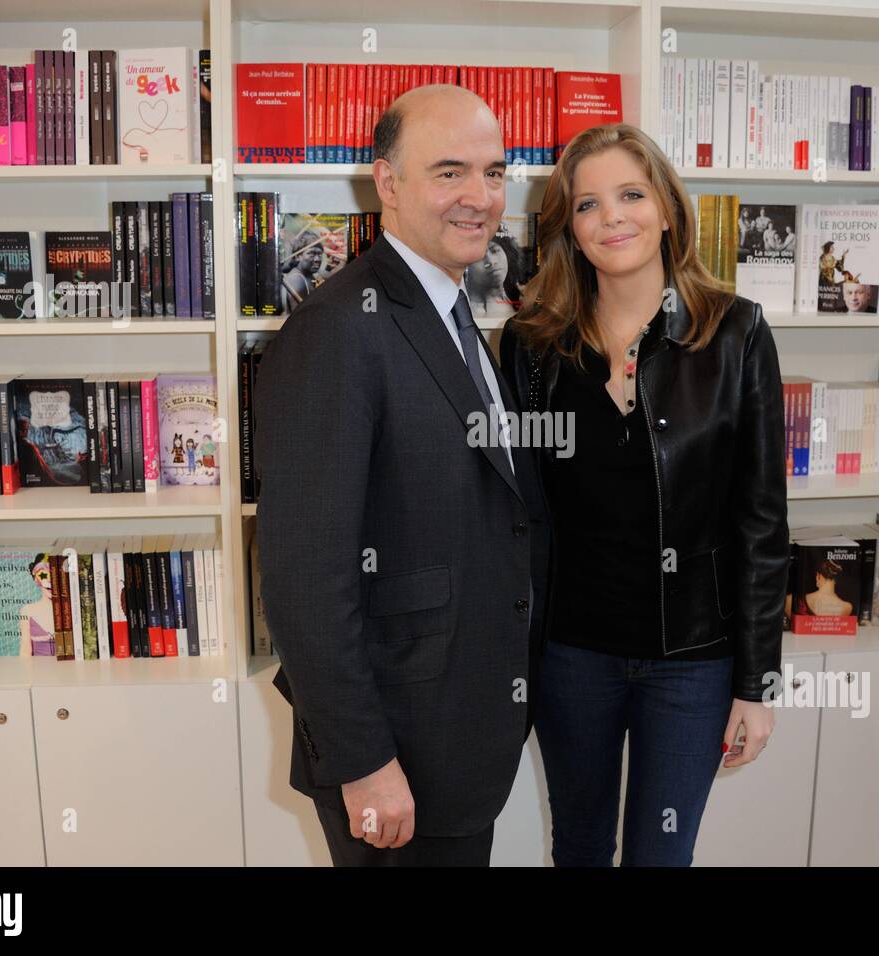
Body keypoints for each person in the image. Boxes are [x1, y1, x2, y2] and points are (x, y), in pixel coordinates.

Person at [253, 84, 550, 867]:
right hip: (395, 756)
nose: (481, 198)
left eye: (495, 172)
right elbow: (302, 581)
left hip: (453, 736)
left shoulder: (453, 312)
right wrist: (364, 764)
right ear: (386, 183)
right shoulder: (336, 333)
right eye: (450, 172)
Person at [500, 123, 790, 867]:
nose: (612, 219)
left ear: (666, 207)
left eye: (631, 194)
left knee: (662, 856)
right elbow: (515, 511)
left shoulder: (737, 334)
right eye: (588, 205)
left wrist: (756, 685)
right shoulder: (531, 344)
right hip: (572, 656)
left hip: (692, 660)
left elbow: (761, 522)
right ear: (569, 228)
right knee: (582, 849)